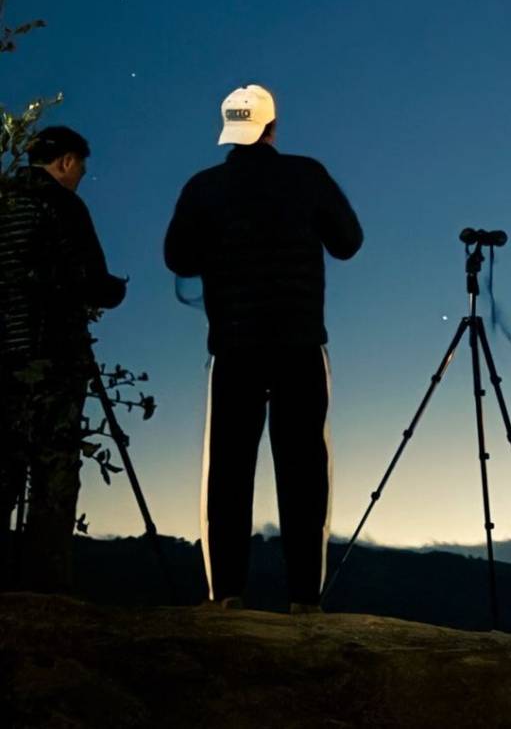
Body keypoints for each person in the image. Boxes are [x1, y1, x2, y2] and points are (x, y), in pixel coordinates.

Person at [164, 85, 363, 613]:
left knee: (229, 468)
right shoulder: (307, 175)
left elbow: (177, 258)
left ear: (229, 129)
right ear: (272, 128)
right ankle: (303, 599)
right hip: (300, 342)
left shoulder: (204, 187)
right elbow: (348, 242)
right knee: (303, 466)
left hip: (233, 345)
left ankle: (226, 593)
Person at [0, 125, 127, 591]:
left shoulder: (4, 199)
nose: (81, 177)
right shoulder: (64, 206)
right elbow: (91, 281)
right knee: (53, 473)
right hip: (51, 355)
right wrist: (115, 290)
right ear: (66, 162)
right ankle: (44, 593)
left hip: (3, 358)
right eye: (81, 167)